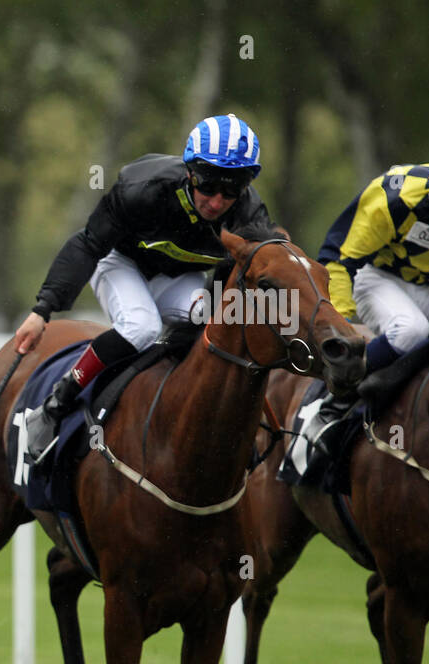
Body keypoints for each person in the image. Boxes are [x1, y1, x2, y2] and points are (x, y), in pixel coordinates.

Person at [16, 113, 275, 461]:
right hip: (120, 263)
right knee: (141, 327)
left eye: (230, 191)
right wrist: (42, 310)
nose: (216, 202)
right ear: (190, 172)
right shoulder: (143, 189)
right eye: (209, 186)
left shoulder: (249, 214)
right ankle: (57, 402)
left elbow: (240, 282)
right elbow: (89, 245)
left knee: (215, 326)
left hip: (179, 277)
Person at [311, 163, 429, 427]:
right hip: (379, 278)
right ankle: (338, 395)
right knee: (411, 328)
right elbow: (338, 258)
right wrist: (338, 324)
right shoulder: (396, 197)